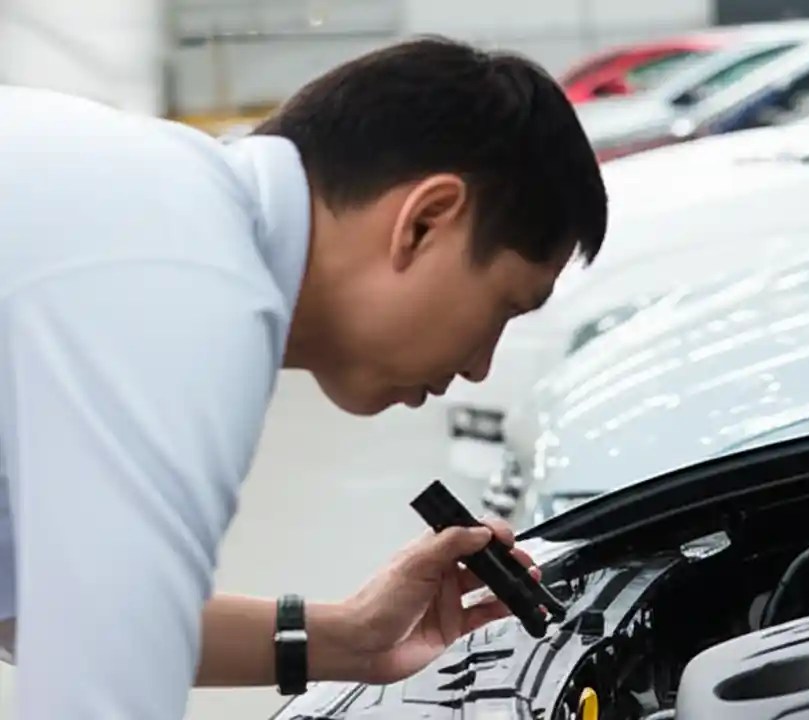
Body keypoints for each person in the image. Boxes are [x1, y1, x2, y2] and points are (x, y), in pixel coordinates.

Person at [0, 34, 607, 718]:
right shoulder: (195, 291)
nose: (480, 365)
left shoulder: (156, 209)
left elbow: (45, 612)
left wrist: (351, 638)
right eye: (504, 307)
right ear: (425, 222)